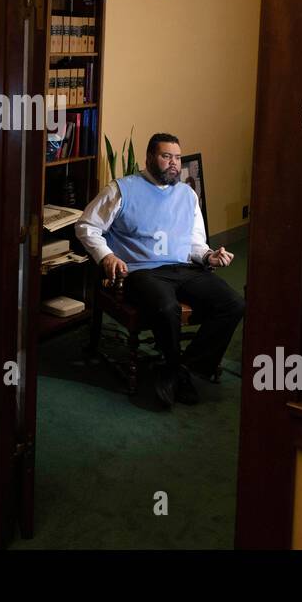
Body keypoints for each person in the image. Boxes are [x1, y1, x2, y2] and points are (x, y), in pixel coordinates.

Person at [76, 133, 245, 408]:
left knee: (233, 304)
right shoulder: (122, 189)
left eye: (177, 158)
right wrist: (106, 256)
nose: (174, 164)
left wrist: (209, 256)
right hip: (142, 271)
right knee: (167, 308)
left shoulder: (187, 194)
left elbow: (193, 242)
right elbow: (86, 226)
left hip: (184, 268)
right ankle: (180, 373)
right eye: (166, 157)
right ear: (149, 158)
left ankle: (181, 371)